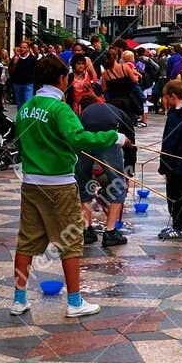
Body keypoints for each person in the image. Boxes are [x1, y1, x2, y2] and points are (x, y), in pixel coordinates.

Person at [10, 55, 125, 318]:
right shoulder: (60, 109)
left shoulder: (26, 107)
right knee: (71, 241)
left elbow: (20, 143)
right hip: (58, 184)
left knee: (27, 241)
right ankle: (75, 302)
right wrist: (114, 137)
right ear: (62, 79)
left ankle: (19, 299)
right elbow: (77, 138)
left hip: (30, 183)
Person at [76, 90, 129, 248]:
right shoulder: (116, 112)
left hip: (84, 140)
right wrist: (129, 169)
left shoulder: (81, 114)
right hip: (107, 138)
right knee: (118, 183)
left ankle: (87, 230)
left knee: (83, 181)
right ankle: (110, 232)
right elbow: (129, 140)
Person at [158, 79, 182, 239]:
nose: (164, 101)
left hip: (175, 163)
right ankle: (177, 224)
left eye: (166, 97)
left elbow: (169, 142)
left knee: (175, 195)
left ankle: (179, 226)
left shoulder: (176, 116)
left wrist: (164, 165)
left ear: (172, 96)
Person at [9, 42, 36, 108]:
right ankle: (20, 118)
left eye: (24, 48)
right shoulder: (16, 58)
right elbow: (10, 71)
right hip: (17, 84)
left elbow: (36, 71)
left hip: (28, 84)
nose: (21, 49)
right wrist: (15, 63)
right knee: (19, 105)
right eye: (21, 47)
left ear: (28, 49)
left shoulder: (32, 58)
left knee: (27, 104)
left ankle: (26, 118)